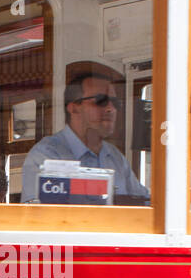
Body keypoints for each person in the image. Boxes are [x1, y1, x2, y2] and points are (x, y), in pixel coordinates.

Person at [21, 73, 150, 204]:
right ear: (74, 108)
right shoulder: (46, 155)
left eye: (116, 103)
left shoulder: (116, 158)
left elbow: (144, 203)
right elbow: (39, 216)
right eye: (101, 101)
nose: (111, 109)